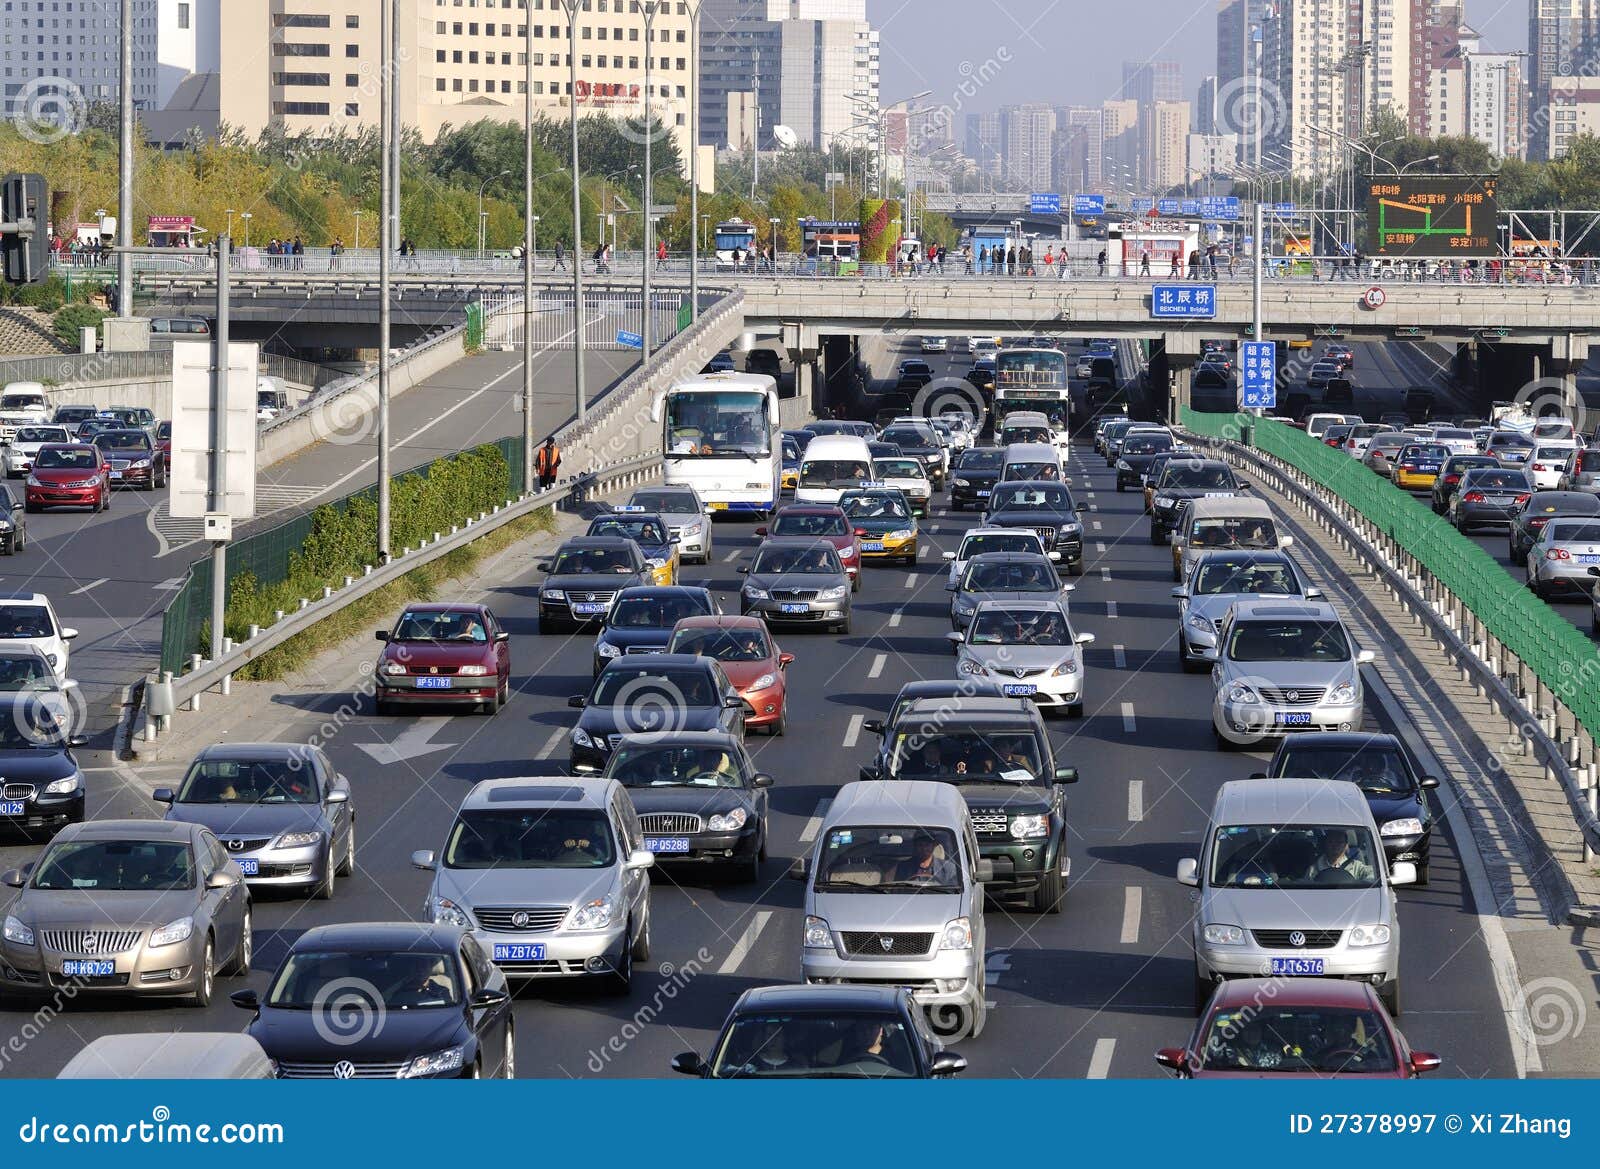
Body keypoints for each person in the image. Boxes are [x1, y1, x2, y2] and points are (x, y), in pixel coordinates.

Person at [1309, 828, 1375, 882]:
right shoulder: (1314, 869)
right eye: (1331, 841)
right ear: (1325, 844)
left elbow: (1373, 876)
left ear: (1346, 846)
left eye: (1339, 842)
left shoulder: (1356, 866)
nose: (1334, 845)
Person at [894, 833, 959, 885]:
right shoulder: (903, 867)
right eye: (920, 845)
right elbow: (898, 889)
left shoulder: (949, 868)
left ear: (934, 846)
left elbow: (952, 893)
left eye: (927, 845)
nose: (924, 849)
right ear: (915, 846)